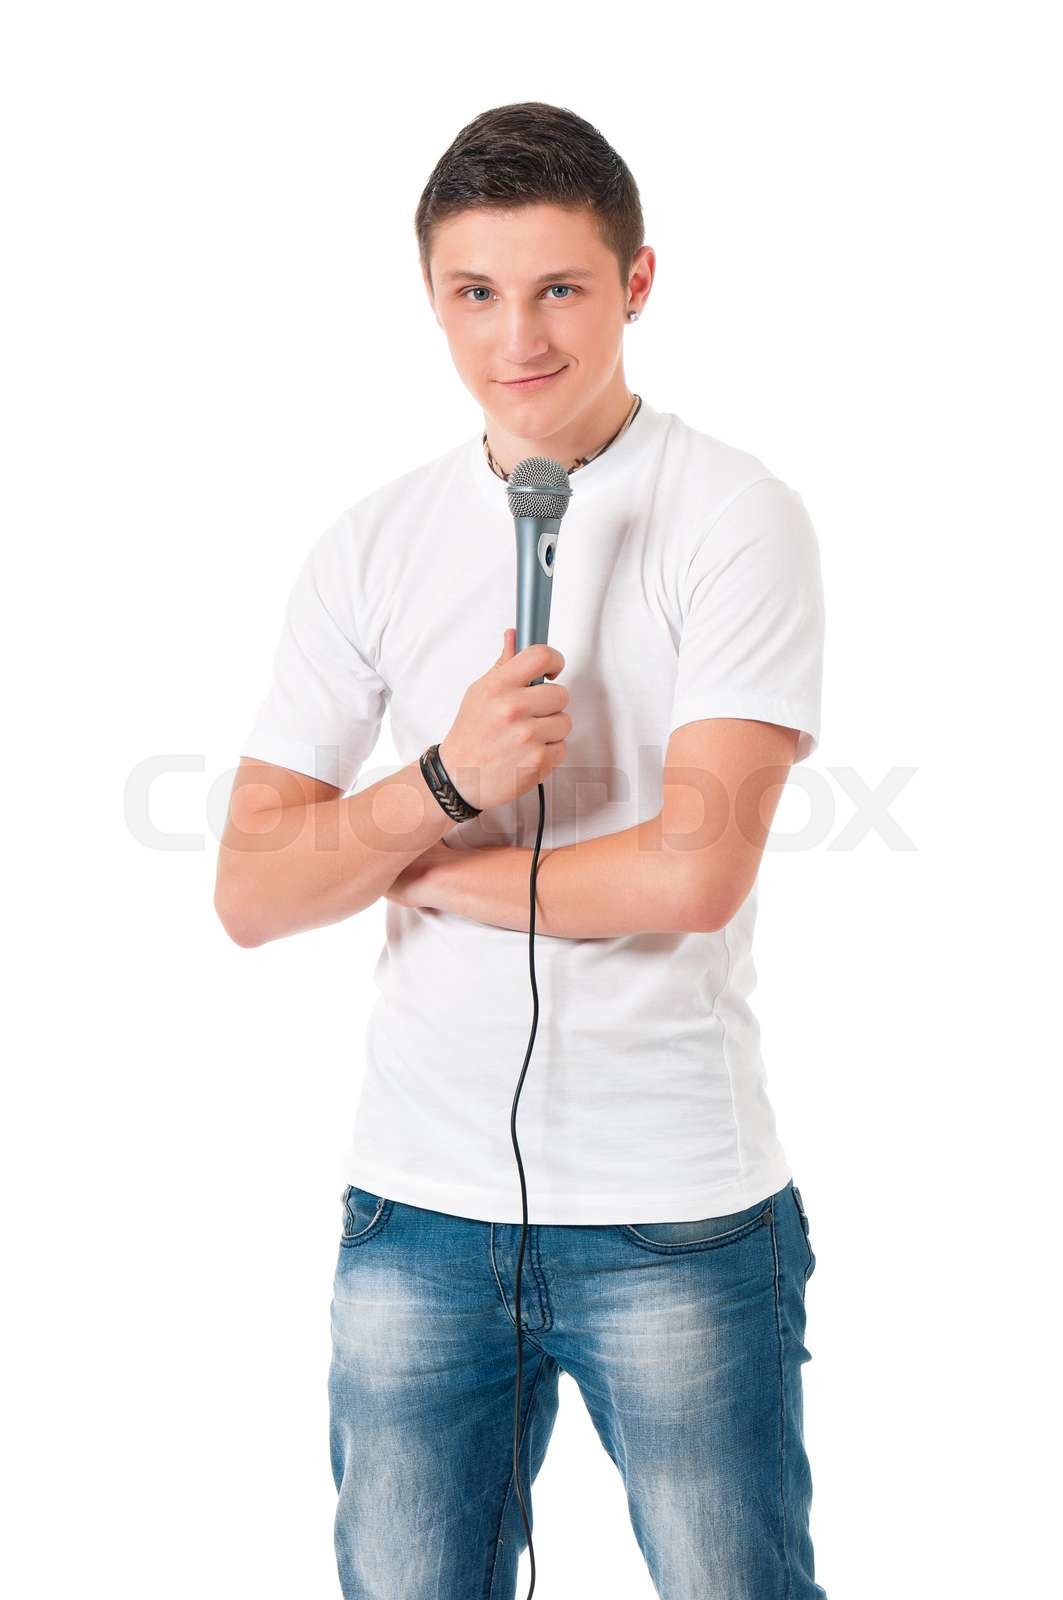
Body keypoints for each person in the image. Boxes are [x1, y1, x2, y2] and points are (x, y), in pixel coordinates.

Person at [216, 101, 828, 1600]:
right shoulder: (370, 542)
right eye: (474, 294)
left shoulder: (734, 515)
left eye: (560, 287)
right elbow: (249, 888)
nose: (517, 338)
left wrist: (414, 870)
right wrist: (443, 780)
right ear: (432, 299)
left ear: (637, 283)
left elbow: (693, 874)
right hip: (415, 1213)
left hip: (674, 1207)